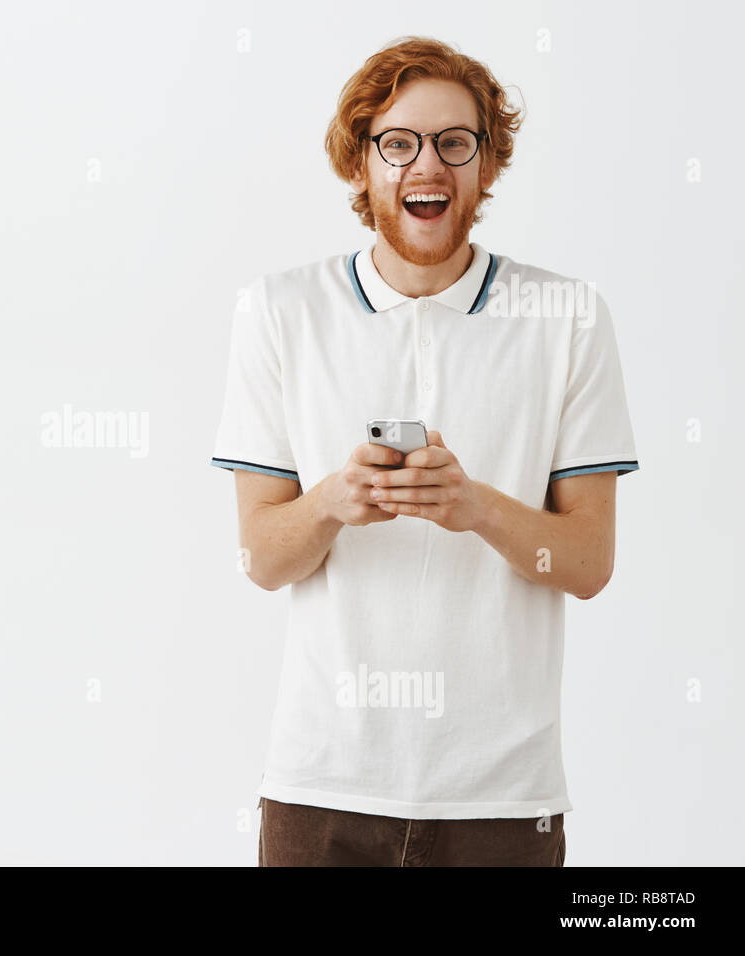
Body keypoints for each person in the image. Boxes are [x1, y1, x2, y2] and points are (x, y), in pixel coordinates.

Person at [210, 36, 639, 866]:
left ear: (485, 165)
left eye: (455, 142)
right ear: (361, 164)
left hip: (505, 801)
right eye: (398, 143)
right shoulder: (277, 312)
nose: (426, 165)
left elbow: (587, 563)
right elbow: (261, 559)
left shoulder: (569, 317)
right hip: (320, 788)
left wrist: (474, 507)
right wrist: (335, 501)